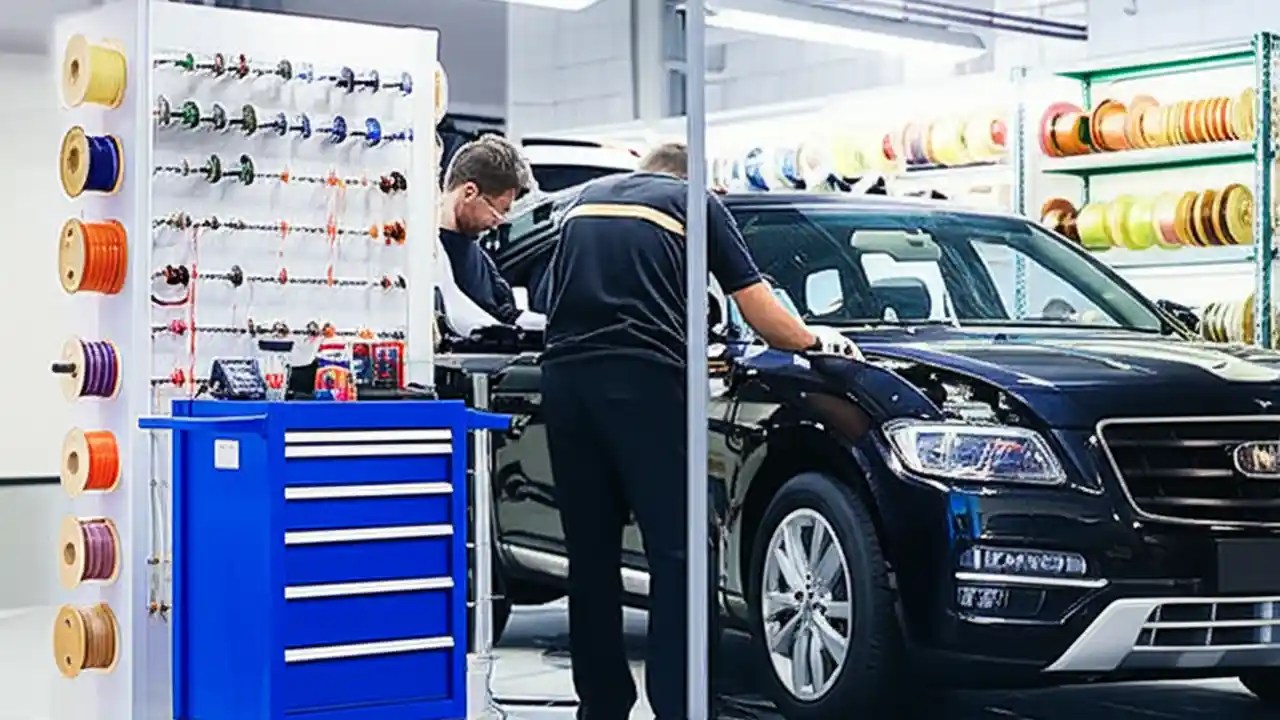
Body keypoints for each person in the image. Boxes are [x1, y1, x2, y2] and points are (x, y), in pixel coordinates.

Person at [539, 142, 860, 720]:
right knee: (679, 551)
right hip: (642, 380)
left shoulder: (585, 202)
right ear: (694, 178)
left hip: (564, 383)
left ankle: (602, 705)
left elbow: (546, 300)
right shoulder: (695, 202)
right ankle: (681, 703)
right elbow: (761, 313)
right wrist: (819, 341)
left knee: (590, 555)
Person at [435, 134, 546, 334]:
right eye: (498, 212)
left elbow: (505, 314)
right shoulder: (424, 253)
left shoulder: (483, 262)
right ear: (470, 193)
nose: (498, 223)